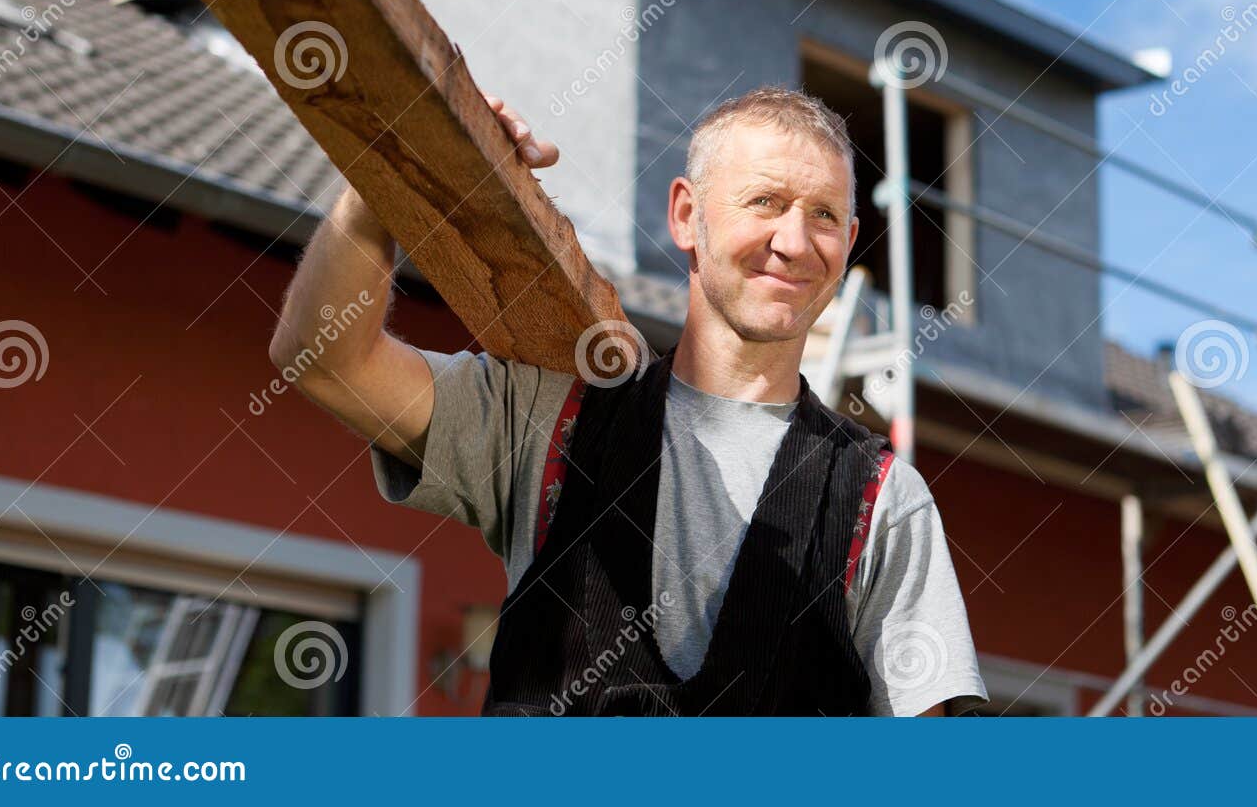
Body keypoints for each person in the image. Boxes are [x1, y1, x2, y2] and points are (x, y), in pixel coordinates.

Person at [270, 84, 986, 716]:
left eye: (825, 215)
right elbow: (329, 360)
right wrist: (386, 172)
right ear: (685, 214)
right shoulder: (556, 415)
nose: (795, 241)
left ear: (851, 240)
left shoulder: (881, 499)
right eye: (764, 201)